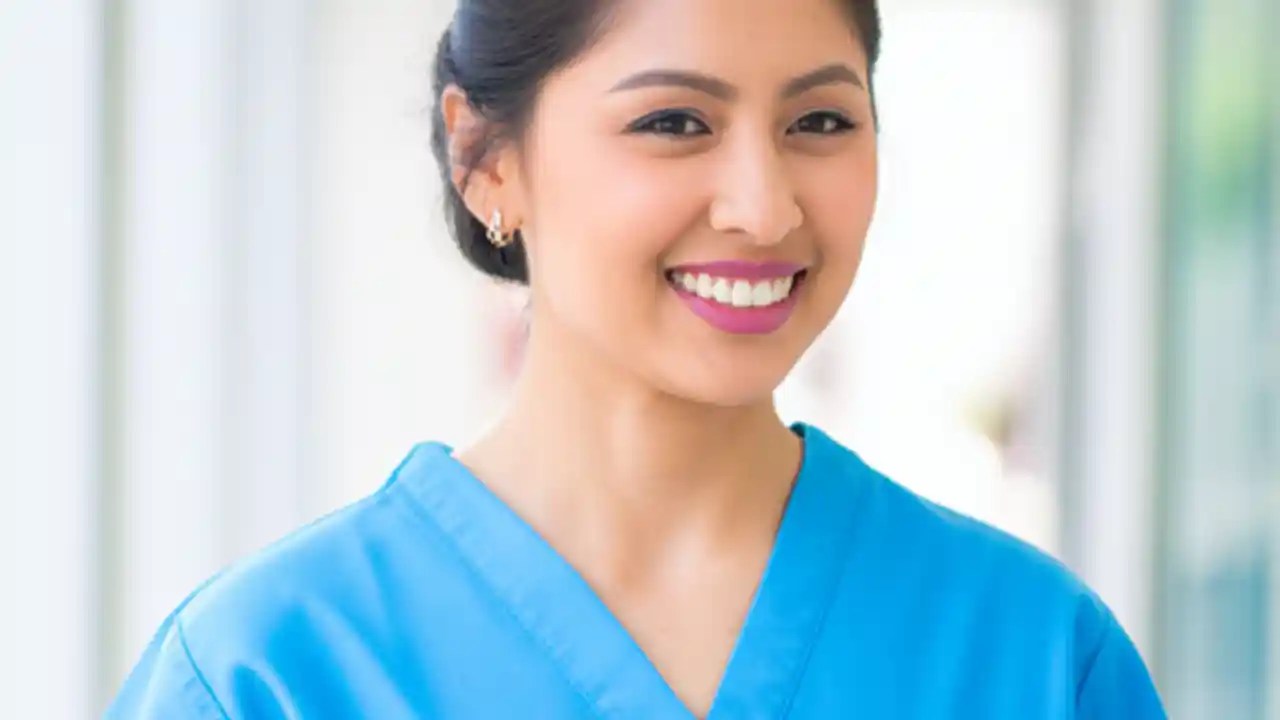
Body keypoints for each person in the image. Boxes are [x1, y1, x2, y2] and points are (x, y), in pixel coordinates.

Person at [107, 0, 1167, 717]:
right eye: (672, 122)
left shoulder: (1029, 656)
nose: (762, 207)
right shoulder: (273, 675)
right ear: (484, 158)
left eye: (818, 119)